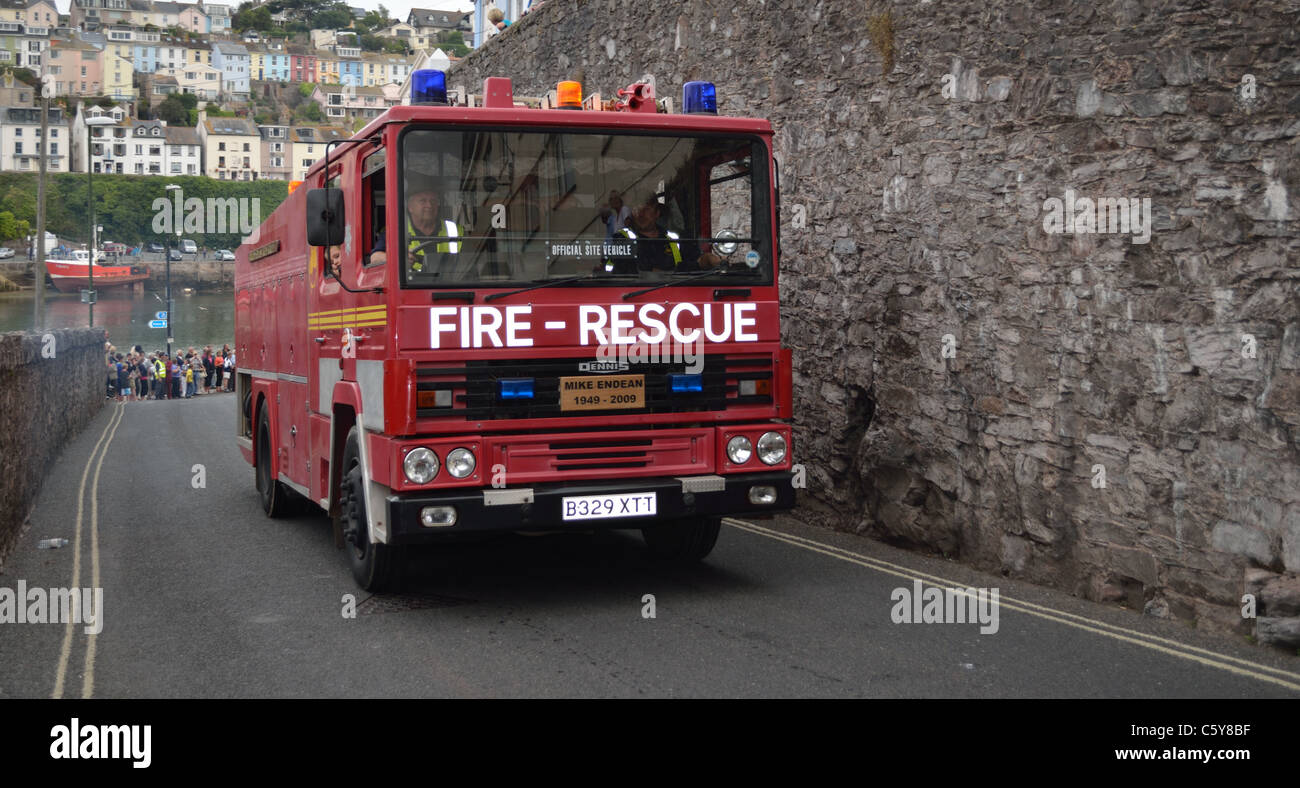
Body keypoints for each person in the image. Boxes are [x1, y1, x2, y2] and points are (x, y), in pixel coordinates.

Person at [369, 176, 463, 275]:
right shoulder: (395, 230)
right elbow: (375, 258)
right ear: (410, 207)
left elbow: (471, 260)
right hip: (410, 286)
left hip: (450, 284)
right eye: (423, 201)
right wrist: (399, 259)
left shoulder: (455, 230)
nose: (429, 205)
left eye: (433, 201)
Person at [603, 196, 720, 275]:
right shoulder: (622, 239)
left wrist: (710, 259)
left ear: (657, 213)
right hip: (635, 297)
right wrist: (675, 273)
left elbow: (698, 260)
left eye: (647, 209)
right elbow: (641, 271)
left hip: (674, 295)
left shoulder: (674, 238)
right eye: (637, 209)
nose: (641, 214)